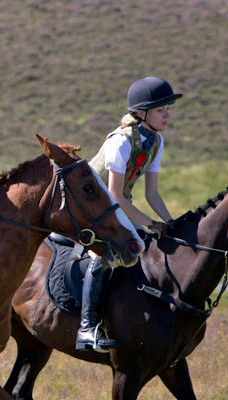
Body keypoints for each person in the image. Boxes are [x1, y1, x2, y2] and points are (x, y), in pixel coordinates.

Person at [78, 76, 181, 352]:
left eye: (168, 109)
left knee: (147, 246)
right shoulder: (121, 142)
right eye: (162, 110)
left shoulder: (156, 142)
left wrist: (169, 223)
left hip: (116, 207)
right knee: (104, 254)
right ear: (143, 112)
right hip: (90, 208)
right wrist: (149, 223)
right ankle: (87, 328)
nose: (167, 114)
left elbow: (152, 194)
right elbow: (114, 196)